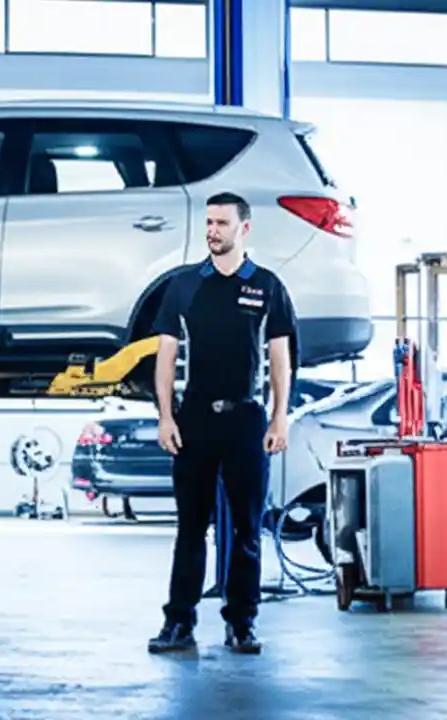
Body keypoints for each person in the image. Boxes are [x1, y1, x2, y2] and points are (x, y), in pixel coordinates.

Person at [147, 191, 296, 655]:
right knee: (190, 528)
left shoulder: (267, 286)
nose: (212, 231)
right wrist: (165, 416)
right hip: (194, 420)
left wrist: (279, 418)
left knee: (248, 530)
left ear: (243, 229)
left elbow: (281, 359)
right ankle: (179, 623)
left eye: (222, 224)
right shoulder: (185, 285)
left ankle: (242, 623)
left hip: (246, 421)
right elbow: (166, 355)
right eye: (208, 223)